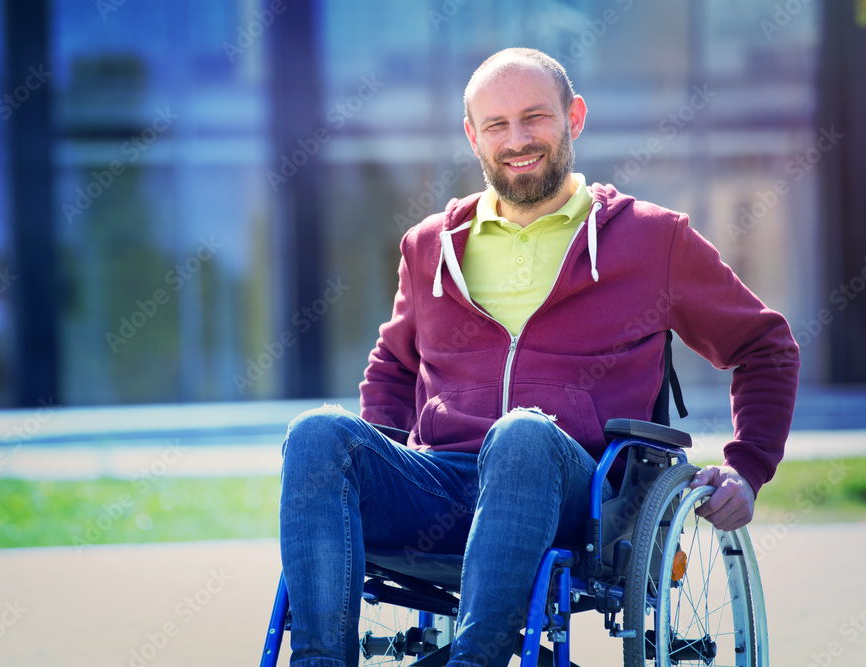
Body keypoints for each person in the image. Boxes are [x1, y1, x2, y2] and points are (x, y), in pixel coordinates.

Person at [278, 47, 800, 667]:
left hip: (580, 497)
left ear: (574, 118)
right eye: (496, 124)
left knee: (521, 435)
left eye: (535, 118)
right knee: (314, 434)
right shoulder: (430, 247)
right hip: (444, 490)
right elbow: (393, 367)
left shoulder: (653, 240)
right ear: (473, 136)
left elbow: (765, 346)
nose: (517, 140)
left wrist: (748, 466)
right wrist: (382, 468)